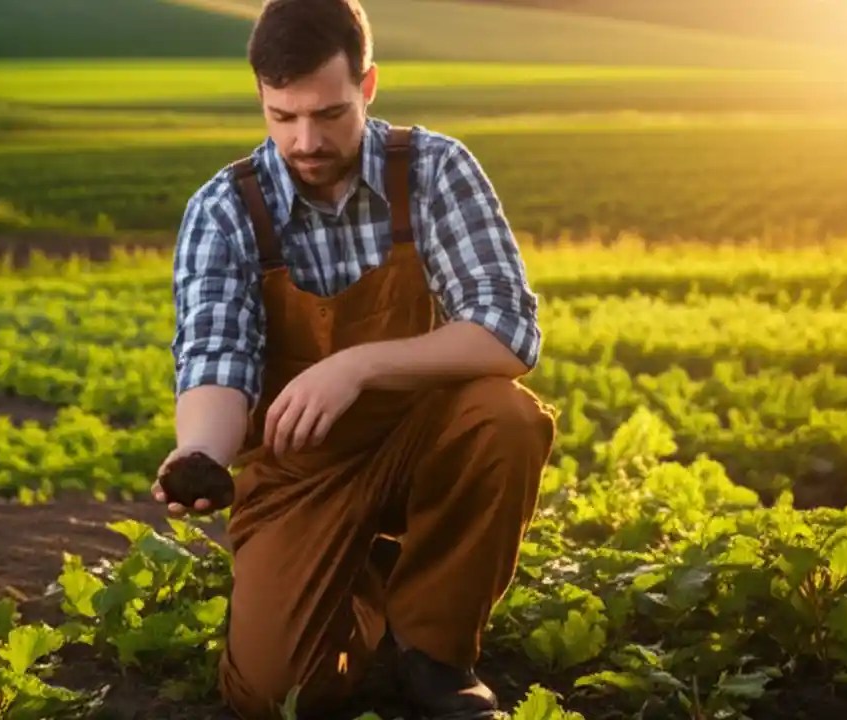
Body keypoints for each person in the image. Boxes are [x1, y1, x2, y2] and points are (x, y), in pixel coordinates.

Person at [152, 1, 557, 718]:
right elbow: (217, 356)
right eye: (283, 117)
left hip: (418, 437)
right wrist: (202, 454)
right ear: (262, 100)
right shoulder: (224, 209)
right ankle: (371, 576)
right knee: (279, 695)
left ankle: (436, 653)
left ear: (367, 87)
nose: (305, 139)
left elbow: (507, 332)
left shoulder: (434, 168)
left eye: (329, 113)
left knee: (506, 418)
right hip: (299, 469)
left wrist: (357, 365)